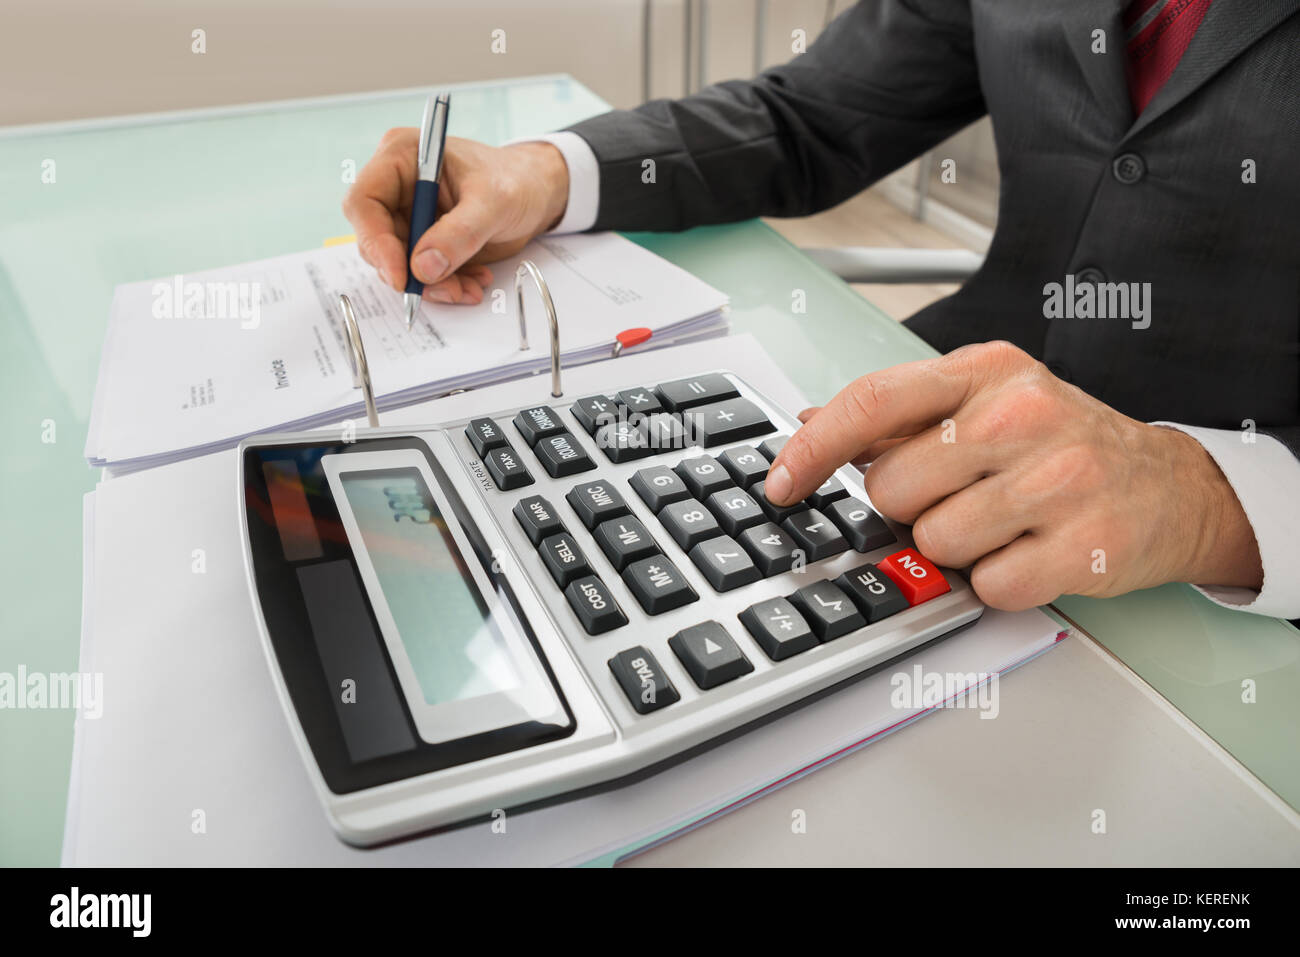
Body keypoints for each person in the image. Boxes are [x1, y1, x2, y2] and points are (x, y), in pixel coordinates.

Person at [343, 0, 1300, 618]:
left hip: (1211, 594)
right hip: (907, 451)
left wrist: (1206, 501)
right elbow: (811, 115)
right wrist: (545, 174)